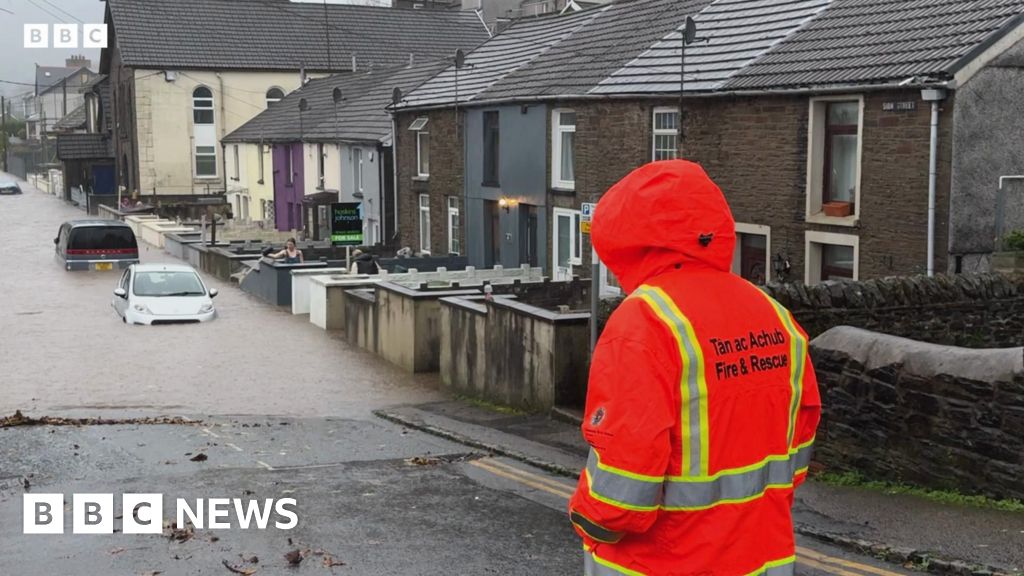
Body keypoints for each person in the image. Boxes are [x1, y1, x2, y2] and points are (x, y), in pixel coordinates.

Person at [568, 160, 821, 576]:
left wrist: (587, 519)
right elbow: (796, 449)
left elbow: (620, 496)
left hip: (664, 563)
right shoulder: (775, 316)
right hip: (761, 557)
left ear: (625, 238)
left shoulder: (644, 322)